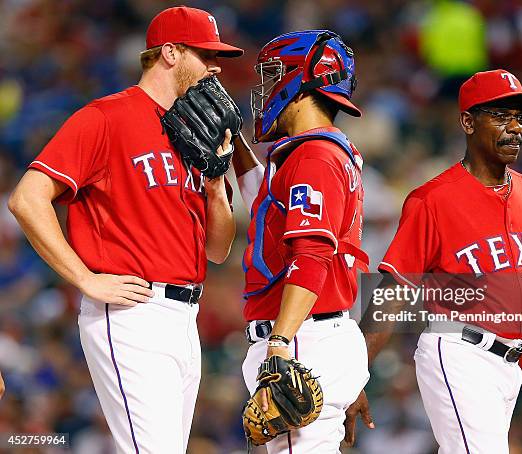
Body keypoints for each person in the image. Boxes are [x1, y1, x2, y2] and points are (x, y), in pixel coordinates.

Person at [8, 6, 241, 453]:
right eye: (205, 54)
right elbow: (27, 198)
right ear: (170, 52)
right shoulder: (107, 117)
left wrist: (215, 188)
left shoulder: (198, 131)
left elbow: (218, 250)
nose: (215, 67)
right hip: (133, 312)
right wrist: (83, 277)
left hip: (184, 316)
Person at [345, 69, 522, 453]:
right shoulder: (432, 199)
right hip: (457, 353)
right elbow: (393, 295)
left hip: (509, 367)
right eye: (501, 116)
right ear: (468, 121)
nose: (515, 127)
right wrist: (353, 377)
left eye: (520, 117)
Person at [233, 30, 370, 453]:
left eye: (275, 74)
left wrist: (279, 344)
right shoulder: (318, 153)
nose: (266, 87)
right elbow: (272, 207)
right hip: (319, 331)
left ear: (302, 83)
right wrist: (233, 144)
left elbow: (310, 256)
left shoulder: (313, 157)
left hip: (300, 337)